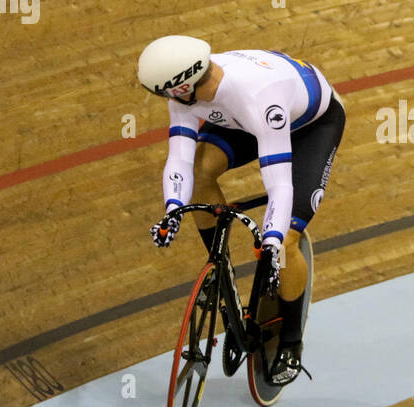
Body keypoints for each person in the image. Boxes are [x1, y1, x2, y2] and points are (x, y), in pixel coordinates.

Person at [137, 37, 344, 385]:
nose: (165, 100)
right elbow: (180, 158)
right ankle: (220, 266)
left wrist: (274, 238)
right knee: (201, 174)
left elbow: (278, 184)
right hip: (241, 118)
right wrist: (173, 208)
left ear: (183, 86)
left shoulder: (257, 95)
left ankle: (292, 341)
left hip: (308, 126)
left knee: (287, 241)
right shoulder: (187, 89)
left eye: (165, 93)